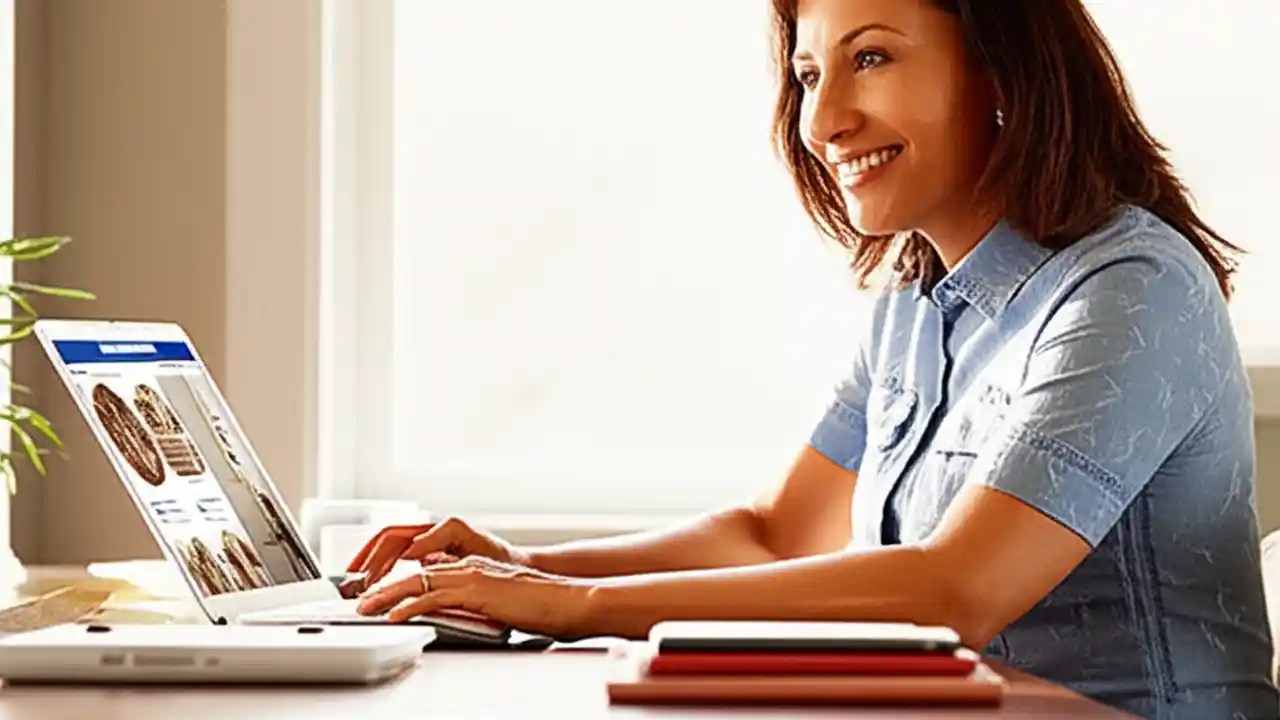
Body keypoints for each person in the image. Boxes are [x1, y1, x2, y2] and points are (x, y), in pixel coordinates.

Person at [350, 0, 1279, 717]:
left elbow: (956, 590)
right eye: (805, 73)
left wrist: (576, 605)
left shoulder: (1130, 285)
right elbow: (776, 533)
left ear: (1002, 64)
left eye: (869, 57)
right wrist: (528, 572)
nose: (821, 119)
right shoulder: (914, 303)